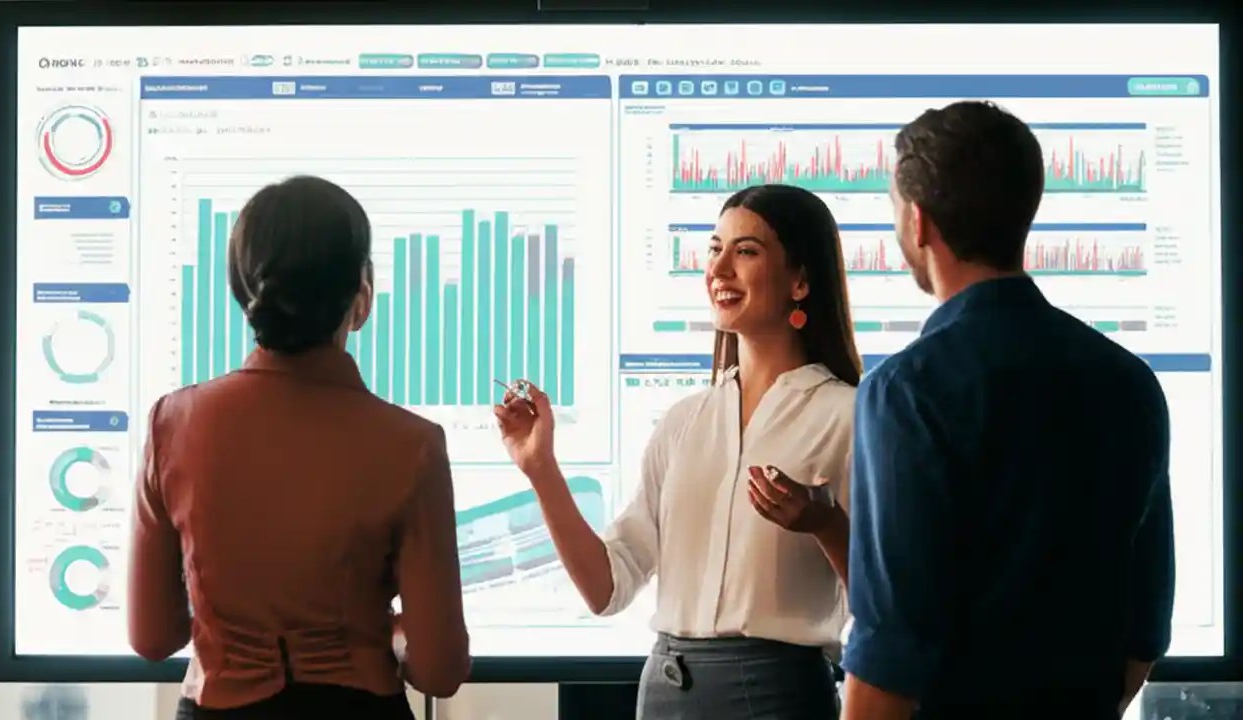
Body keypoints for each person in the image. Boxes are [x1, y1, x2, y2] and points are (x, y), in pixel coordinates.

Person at [840, 101, 1175, 720]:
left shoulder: (905, 390)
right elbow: (1145, 629)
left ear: (918, 222)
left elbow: (889, 654)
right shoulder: (1131, 381)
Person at [496, 184, 862, 719]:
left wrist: (823, 523)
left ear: (801, 281)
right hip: (665, 692)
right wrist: (541, 469)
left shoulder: (849, 416)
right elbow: (606, 588)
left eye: (747, 251)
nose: (720, 269)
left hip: (777, 696)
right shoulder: (684, 421)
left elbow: (888, 603)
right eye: (715, 249)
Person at [128, 176, 471, 719]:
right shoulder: (413, 446)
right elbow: (440, 669)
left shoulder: (172, 423)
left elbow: (151, 637)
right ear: (361, 296)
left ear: (245, 292)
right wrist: (385, 632)